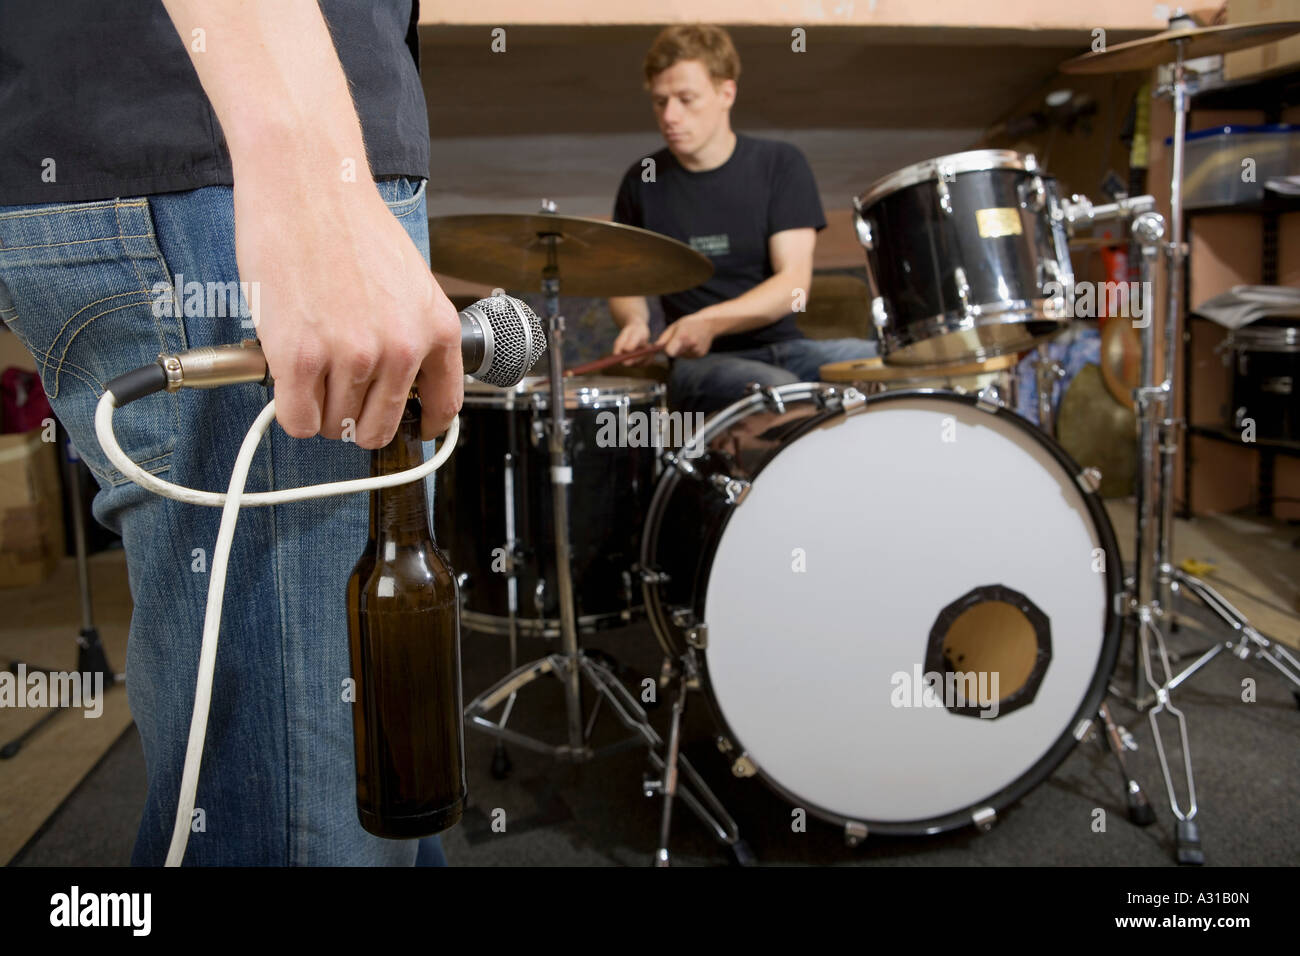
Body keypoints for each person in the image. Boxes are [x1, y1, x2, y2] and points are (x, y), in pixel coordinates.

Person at [0, 1, 462, 865]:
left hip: (208, 165)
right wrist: (306, 168)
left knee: (353, 811)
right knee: (310, 831)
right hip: (221, 169)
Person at [608, 24, 876, 417]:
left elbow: (792, 285)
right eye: (660, 101)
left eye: (686, 99)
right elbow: (623, 278)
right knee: (784, 394)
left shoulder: (780, 164)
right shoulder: (643, 178)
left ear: (726, 93)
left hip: (793, 349)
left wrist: (709, 321)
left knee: (898, 364)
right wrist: (634, 320)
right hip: (704, 363)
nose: (670, 116)